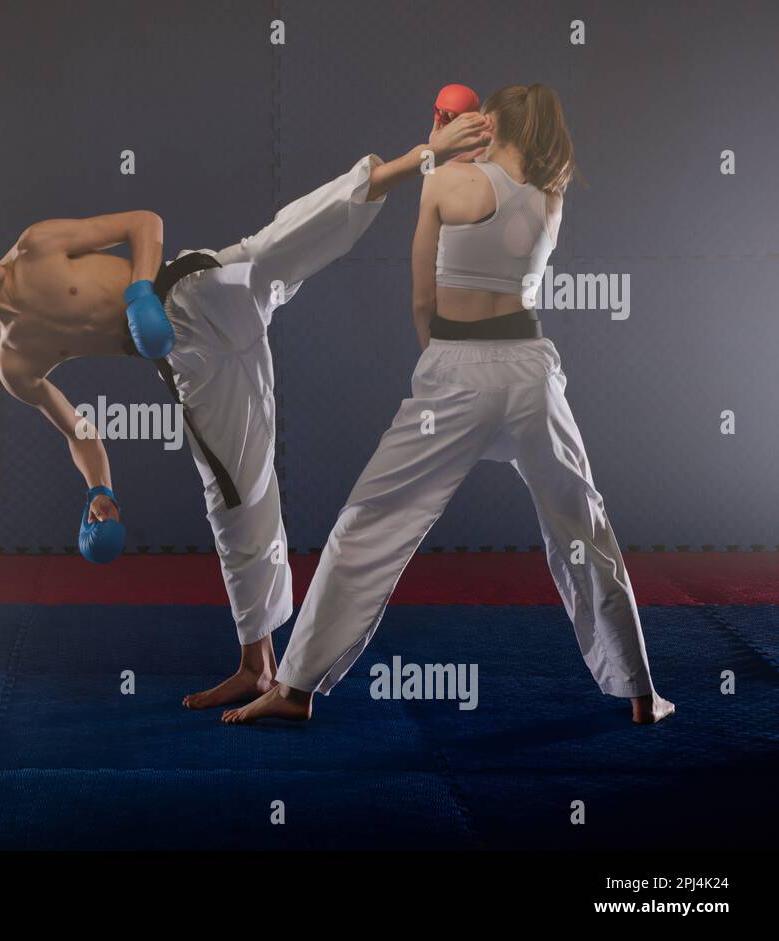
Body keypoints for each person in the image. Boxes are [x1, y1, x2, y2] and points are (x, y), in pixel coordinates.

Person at [0, 114, 491, 709]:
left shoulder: (38, 245)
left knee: (282, 243)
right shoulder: (14, 361)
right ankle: (258, 666)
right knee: (232, 499)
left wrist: (140, 290)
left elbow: (143, 222)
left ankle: (423, 155)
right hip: (190, 363)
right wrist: (100, 491)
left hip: (192, 290)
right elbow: (79, 427)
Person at [224, 84, 675, 726]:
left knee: (369, 523)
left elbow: (421, 302)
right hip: (529, 374)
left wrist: (438, 371)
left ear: (491, 124)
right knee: (583, 528)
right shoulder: (553, 195)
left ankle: (295, 690)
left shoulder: (443, 184)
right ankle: (639, 693)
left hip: (456, 371)